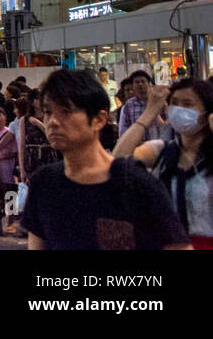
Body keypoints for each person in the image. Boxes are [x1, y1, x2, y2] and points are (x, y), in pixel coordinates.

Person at [22, 68, 190, 250]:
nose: (52, 121)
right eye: (47, 112)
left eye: (65, 111)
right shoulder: (44, 183)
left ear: (99, 119)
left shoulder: (136, 183)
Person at [114, 78, 213, 249]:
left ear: (206, 115)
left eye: (188, 104)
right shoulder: (162, 151)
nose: (179, 109)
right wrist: (149, 112)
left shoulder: (208, 158)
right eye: (174, 103)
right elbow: (117, 161)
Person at [0, 106, 18, 235]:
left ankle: (11, 223)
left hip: (8, 168)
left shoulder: (9, 132)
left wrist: (2, 156)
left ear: (5, 117)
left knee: (11, 195)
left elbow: (15, 152)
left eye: (0, 114)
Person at [118, 70, 165, 143]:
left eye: (143, 81)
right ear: (133, 86)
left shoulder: (159, 101)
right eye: (137, 82)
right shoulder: (129, 104)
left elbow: (166, 125)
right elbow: (125, 126)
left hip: (158, 145)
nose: (140, 84)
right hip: (137, 147)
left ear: (149, 84)